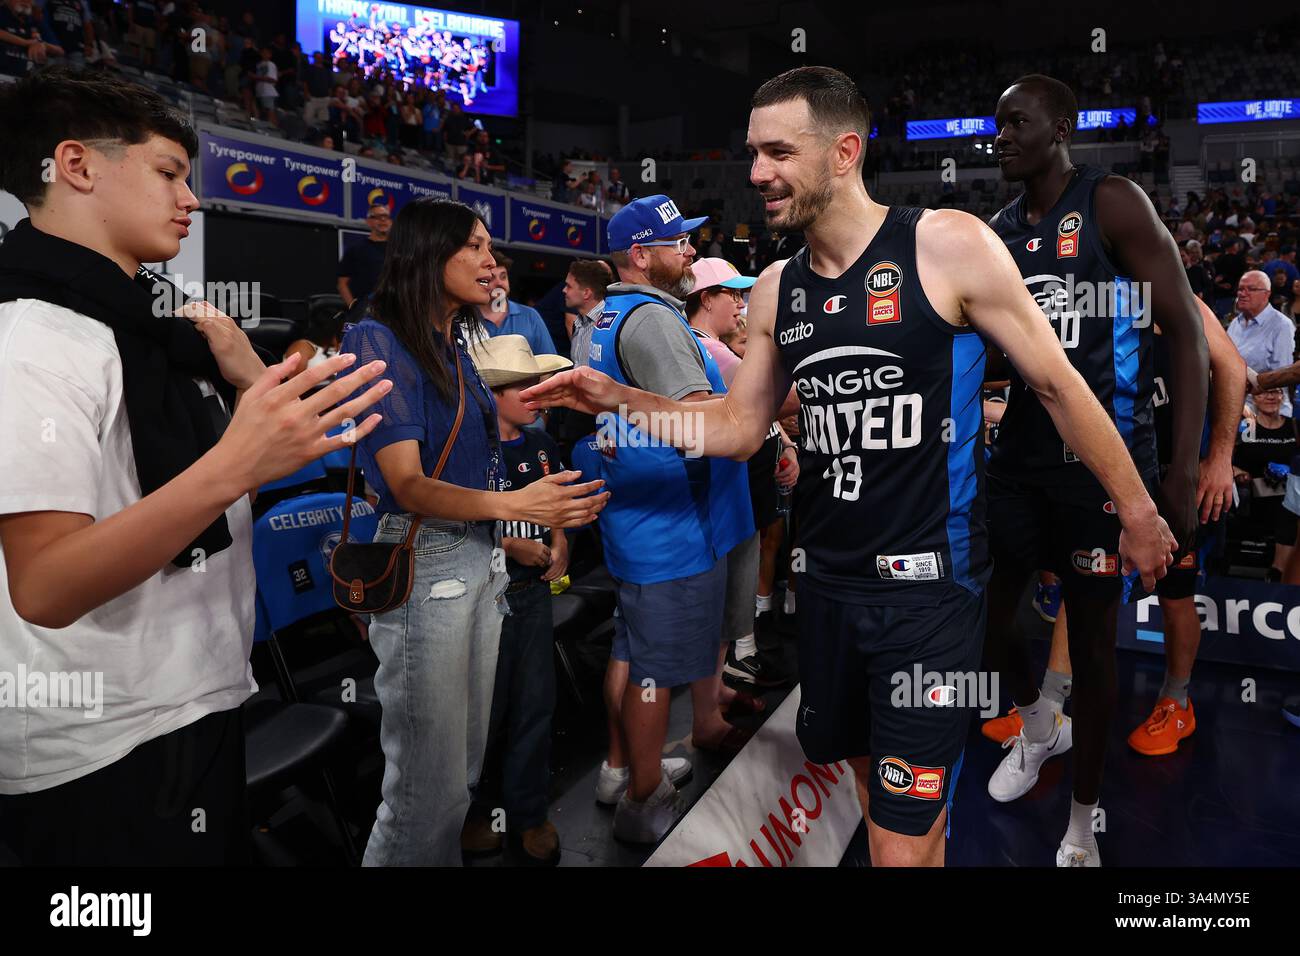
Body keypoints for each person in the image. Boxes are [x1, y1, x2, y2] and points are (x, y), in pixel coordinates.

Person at [522, 66, 1176, 867]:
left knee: (897, 846)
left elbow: (1058, 384)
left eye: (776, 152)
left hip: (931, 596)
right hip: (829, 588)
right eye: (753, 152)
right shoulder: (772, 290)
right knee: (879, 803)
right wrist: (613, 394)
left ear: (843, 152)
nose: (755, 172)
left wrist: (1139, 513)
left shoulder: (948, 243)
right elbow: (734, 429)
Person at [0, 67, 389, 865]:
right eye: (169, 172)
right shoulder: (31, 342)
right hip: (103, 742)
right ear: (75, 166)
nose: (192, 199)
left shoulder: (161, 326)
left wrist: (254, 381)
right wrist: (233, 465)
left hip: (192, 700)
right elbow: (44, 585)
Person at [339, 198, 609, 866]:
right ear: (428, 254)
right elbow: (408, 485)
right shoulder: (377, 336)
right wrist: (519, 504)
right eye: (477, 248)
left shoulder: (451, 340)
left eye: (491, 249)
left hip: (478, 559)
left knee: (456, 778)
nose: (492, 263)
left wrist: (532, 511)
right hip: (426, 563)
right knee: (422, 793)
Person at [982, 75, 1207, 867]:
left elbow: (1184, 334)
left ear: (1062, 126)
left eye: (1017, 121)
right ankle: (1040, 728)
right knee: (996, 622)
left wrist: (1180, 470)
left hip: (1103, 470)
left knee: (1097, 646)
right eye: (995, 124)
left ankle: (1082, 820)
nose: (1001, 136)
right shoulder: (1000, 230)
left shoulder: (1111, 203)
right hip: (1017, 462)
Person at [983, 297, 1244, 762]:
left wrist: (1219, 457)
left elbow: (1232, 364)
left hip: (1173, 472)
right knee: (1081, 578)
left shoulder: (1161, 288)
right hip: (1115, 471)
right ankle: (1052, 703)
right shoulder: (1089, 287)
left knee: (1175, 592)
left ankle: (1177, 700)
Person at [570, 195, 754, 842]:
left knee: (631, 650)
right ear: (640, 256)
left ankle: (624, 767)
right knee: (653, 672)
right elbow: (701, 425)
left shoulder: (599, 315)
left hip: (633, 520)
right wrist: (756, 410)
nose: (691, 251)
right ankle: (645, 800)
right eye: (678, 243)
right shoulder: (652, 322)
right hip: (671, 525)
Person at [462, 334, 573, 866]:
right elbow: (451, 521)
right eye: (524, 386)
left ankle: (528, 814)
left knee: (535, 704)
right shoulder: (467, 454)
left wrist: (560, 543)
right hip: (484, 598)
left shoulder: (543, 447)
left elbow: (556, 511)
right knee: (485, 711)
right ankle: (477, 811)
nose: (537, 394)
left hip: (531, 597)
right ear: (493, 394)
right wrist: (510, 543)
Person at [684, 257, 799, 691]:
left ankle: (721, 684)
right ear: (705, 298)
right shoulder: (708, 348)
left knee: (742, 572)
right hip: (729, 485)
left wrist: (785, 443)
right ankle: (729, 669)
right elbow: (774, 400)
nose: (740, 302)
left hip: (739, 482)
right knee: (733, 581)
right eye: (730, 294)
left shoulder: (714, 345)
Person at [1234, 386, 1297, 577]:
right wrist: (1239, 473)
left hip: (1289, 502)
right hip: (1253, 500)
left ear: (1282, 396)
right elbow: (1227, 462)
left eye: (1275, 392)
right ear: (1254, 397)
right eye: (1263, 392)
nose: (1270, 397)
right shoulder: (1248, 426)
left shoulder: (1293, 426)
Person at [1227, 269, 1296, 416]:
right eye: (1240, 289)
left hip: (1270, 414)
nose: (1242, 293)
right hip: (1236, 409)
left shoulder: (1281, 325)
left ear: (1267, 294)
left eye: (1251, 289)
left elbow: (1282, 377)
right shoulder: (1235, 324)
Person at [465, 252, 557, 357]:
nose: (499, 283)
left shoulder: (530, 316)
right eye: (491, 278)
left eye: (503, 277)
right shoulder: (465, 316)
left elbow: (550, 362)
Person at [337, 202, 391, 308]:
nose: (383, 220)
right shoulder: (355, 250)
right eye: (377, 217)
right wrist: (354, 308)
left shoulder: (400, 249)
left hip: (394, 313)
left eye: (385, 216)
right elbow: (342, 284)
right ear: (369, 222)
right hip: (366, 314)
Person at [563, 258, 613, 369]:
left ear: (586, 293)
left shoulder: (611, 324)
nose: (564, 290)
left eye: (569, 286)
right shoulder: (579, 324)